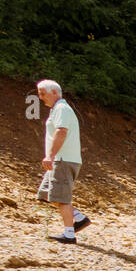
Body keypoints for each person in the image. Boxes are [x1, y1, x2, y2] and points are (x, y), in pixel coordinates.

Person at [35, 80, 89, 244]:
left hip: (63, 160)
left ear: (54, 92)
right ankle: (79, 218)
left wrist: (50, 156)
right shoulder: (57, 109)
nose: (40, 97)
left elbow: (61, 132)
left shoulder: (61, 109)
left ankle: (69, 235)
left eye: (42, 93)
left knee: (62, 198)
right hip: (60, 160)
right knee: (45, 194)